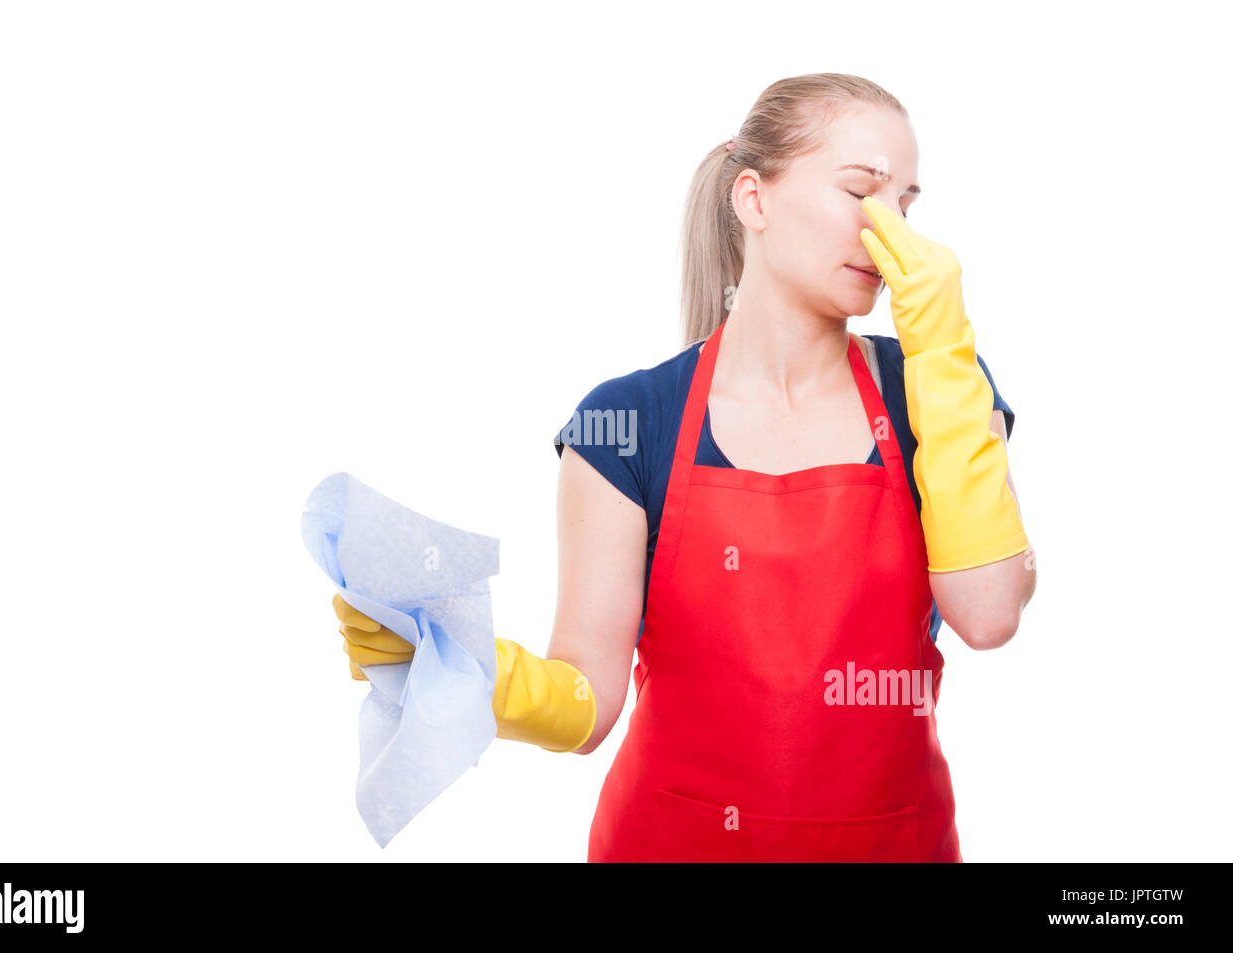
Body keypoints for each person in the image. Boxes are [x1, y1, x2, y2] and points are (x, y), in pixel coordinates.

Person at [333, 73, 1037, 862]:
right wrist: (465, 668)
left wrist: (942, 353)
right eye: (861, 193)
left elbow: (988, 611)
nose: (892, 234)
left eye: (906, 205)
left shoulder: (937, 396)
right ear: (754, 200)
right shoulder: (629, 423)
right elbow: (588, 701)